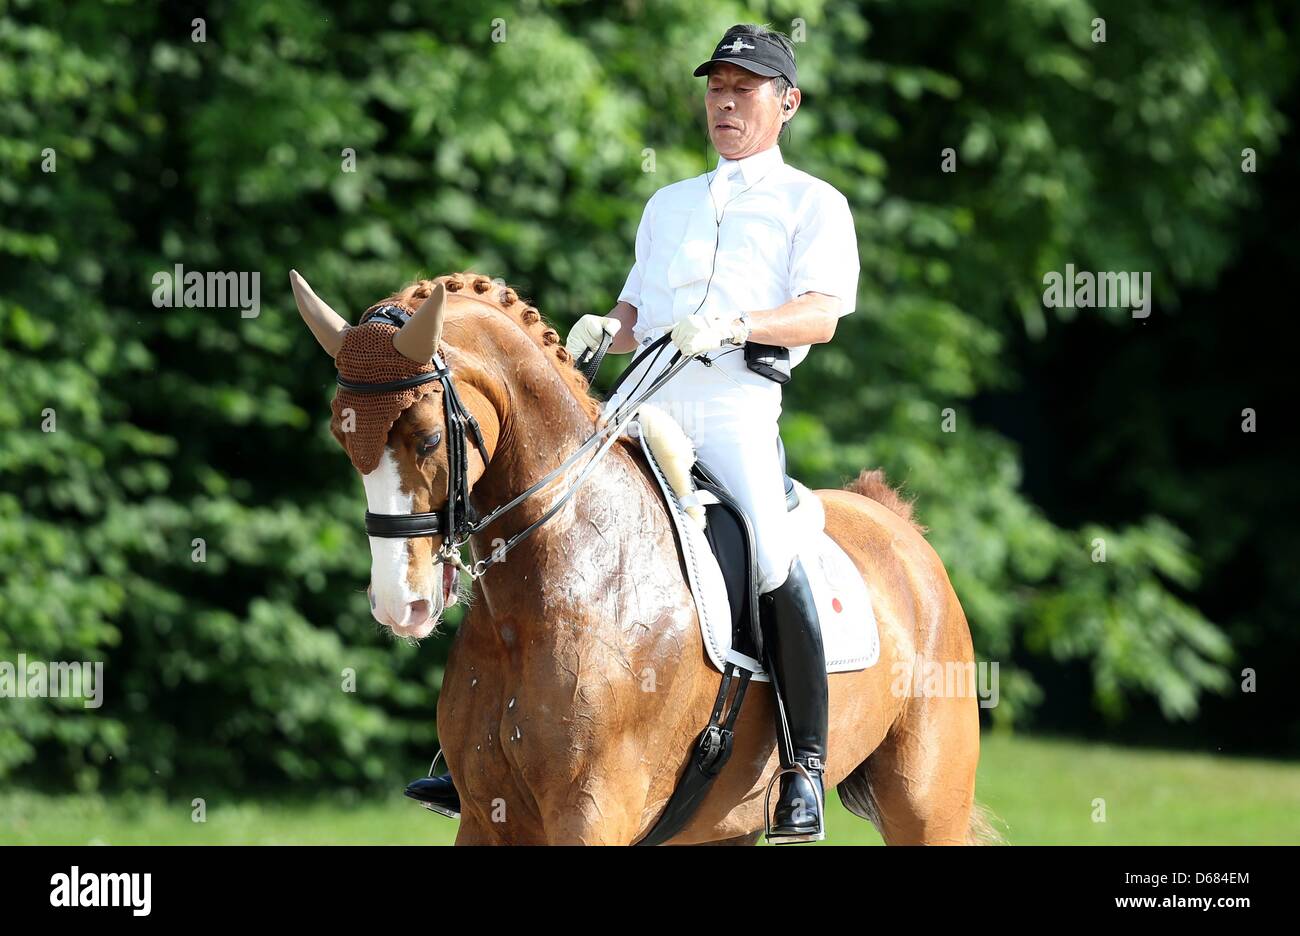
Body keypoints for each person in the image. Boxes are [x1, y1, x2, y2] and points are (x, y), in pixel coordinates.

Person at [408, 22, 859, 844]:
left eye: (745, 89)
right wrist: (600, 329)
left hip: (736, 411)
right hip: (641, 398)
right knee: (528, 525)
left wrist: (736, 324)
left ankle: (804, 767)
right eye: (717, 87)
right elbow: (635, 311)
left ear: (786, 102)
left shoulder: (813, 204)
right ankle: (473, 750)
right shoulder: (670, 203)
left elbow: (823, 314)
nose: (725, 101)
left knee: (770, 548)